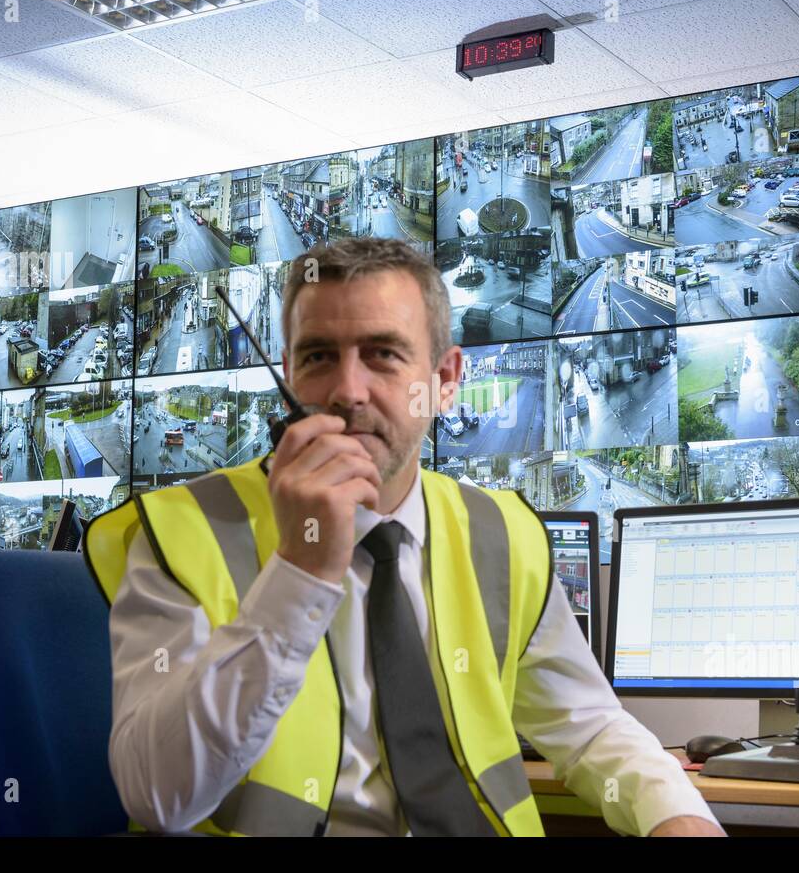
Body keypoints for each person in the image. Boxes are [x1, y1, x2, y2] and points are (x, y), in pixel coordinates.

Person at [86, 237, 724, 838]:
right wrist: (299, 573)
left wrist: (673, 813)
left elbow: (585, 725)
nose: (347, 390)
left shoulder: (501, 532)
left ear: (446, 380)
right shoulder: (179, 531)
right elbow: (158, 794)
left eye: (383, 355)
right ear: (287, 373)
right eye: (317, 357)